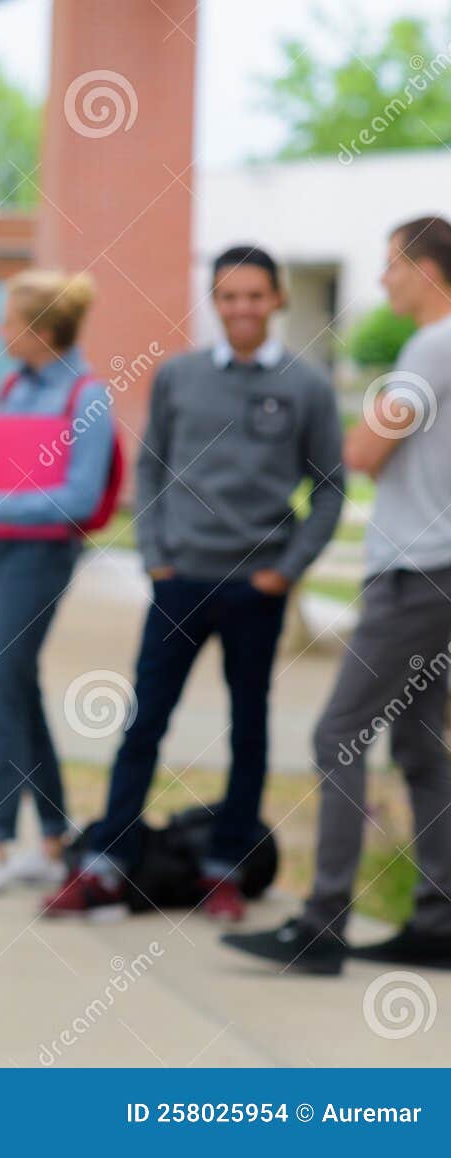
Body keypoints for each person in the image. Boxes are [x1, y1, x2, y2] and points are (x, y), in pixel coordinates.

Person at [44, 246, 344, 922]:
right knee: (144, 721)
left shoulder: (307, 387)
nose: (241, 308)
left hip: (255, 588)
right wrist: (155, 556)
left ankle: (224, 871)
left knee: (248, 730)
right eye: (229, 296)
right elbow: (148, 471)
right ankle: (107, 867)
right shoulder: (178, 377)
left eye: (254, 296)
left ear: (278, 300)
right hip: (180, 581)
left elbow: (329, 491)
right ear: (215, 301)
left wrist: (285, 573)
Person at [225, 217, 451, 973]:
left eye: (392, 266)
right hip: (439, 572)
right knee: (422, 746)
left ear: (425, 268)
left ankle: (322, 924)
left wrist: (371, 425)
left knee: (338, 736)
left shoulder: (430, 345)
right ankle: (439, 919)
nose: (385, 281)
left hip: (415, 573)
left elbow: (361, 451)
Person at [0, 271, 115, 900]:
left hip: (42, 559)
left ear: (42, 332)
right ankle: (51, 839)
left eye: (9, 321)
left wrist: (3, 506)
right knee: (20, 688)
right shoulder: (15, 386)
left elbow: (81, 497)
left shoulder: (87, 398)